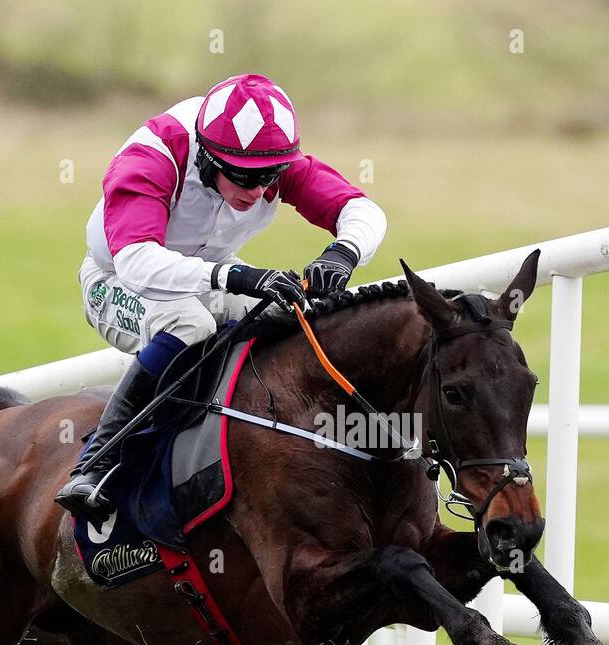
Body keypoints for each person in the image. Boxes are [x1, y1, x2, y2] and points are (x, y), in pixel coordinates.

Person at [56, 74, 388, 521]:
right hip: (118, 278)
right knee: (190, 325)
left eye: (268, 178)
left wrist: (341, 253)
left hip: (206, 277)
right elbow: (137, 262)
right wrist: (235, 275)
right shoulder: (155, 154)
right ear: (207, 157)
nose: (255, 193)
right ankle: (97, 460)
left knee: (294, 316)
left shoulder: (268, 155)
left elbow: (362, 210)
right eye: (243, 178)